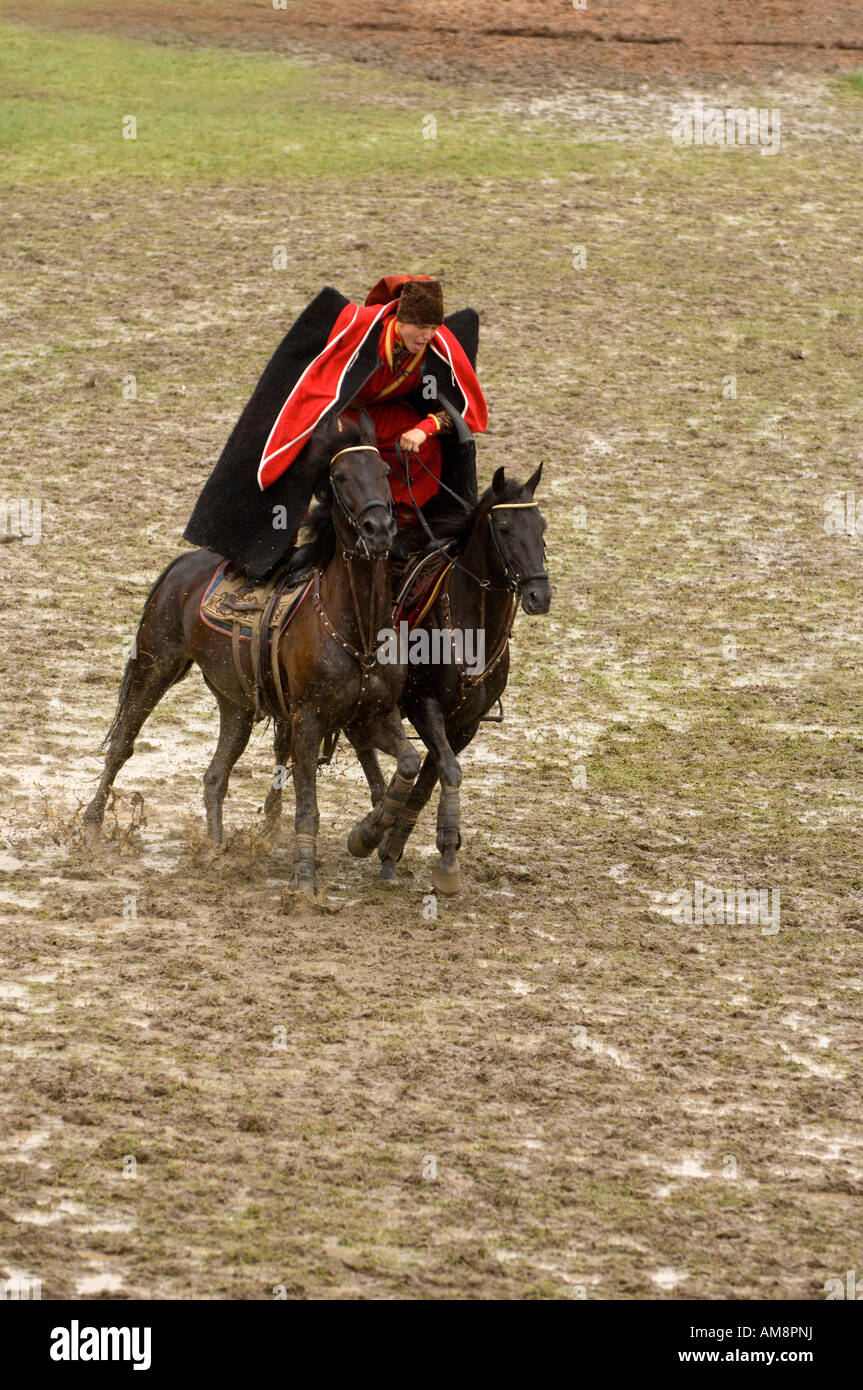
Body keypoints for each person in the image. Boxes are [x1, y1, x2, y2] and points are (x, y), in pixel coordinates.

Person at [184, 275, 487, 578]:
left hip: (383, 413)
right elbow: (321, 383)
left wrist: (425, 427)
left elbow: (464, 409)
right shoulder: (362, 330)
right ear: (401, 319)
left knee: (430, 447)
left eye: (433, 328)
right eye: (420, 327)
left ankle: (401, 528)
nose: (426, 335)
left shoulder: (437, 346)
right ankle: (280, 543)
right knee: (308, 454)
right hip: (339, 409)